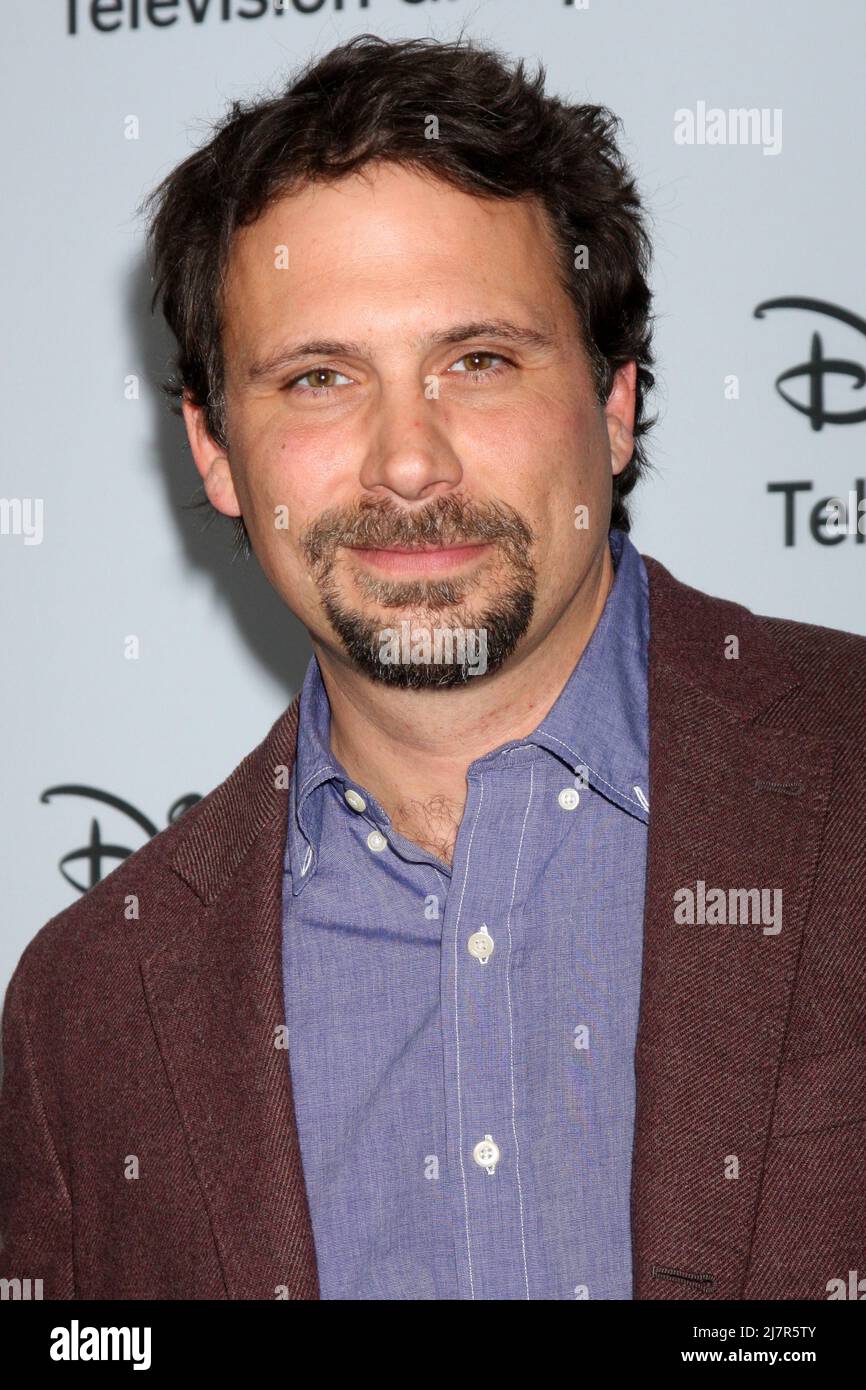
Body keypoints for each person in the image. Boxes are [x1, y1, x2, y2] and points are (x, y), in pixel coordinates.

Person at [1, 34, 864, 1302]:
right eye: (317, 378)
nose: (409, 461)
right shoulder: (90, 1010)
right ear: (216, 450)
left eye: (479, 361)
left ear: (613, 396)